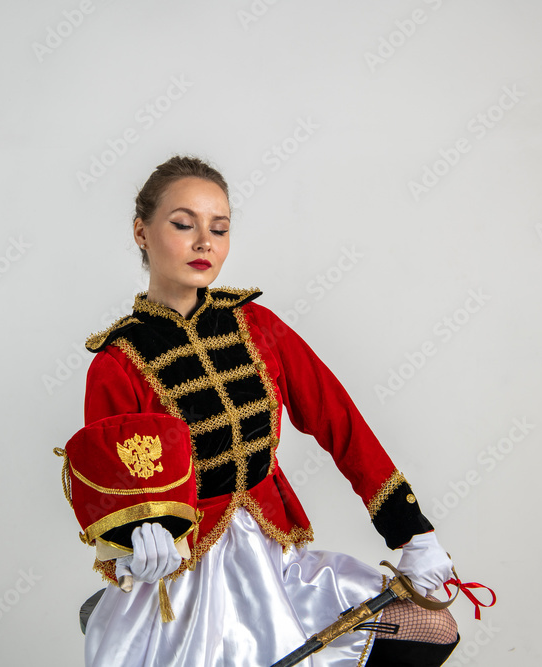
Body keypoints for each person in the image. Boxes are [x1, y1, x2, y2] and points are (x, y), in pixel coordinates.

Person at [64, 155, 460, 666]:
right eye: (183, 224)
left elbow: (339, 419)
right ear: (141, 232)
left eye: (220, 228)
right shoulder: (118, 363)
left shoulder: (258, 325)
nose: (204, 241)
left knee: (429, 626)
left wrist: (412, 530)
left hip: (274, 554)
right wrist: (131, 547)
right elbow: (114, 488)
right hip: (185, 577)